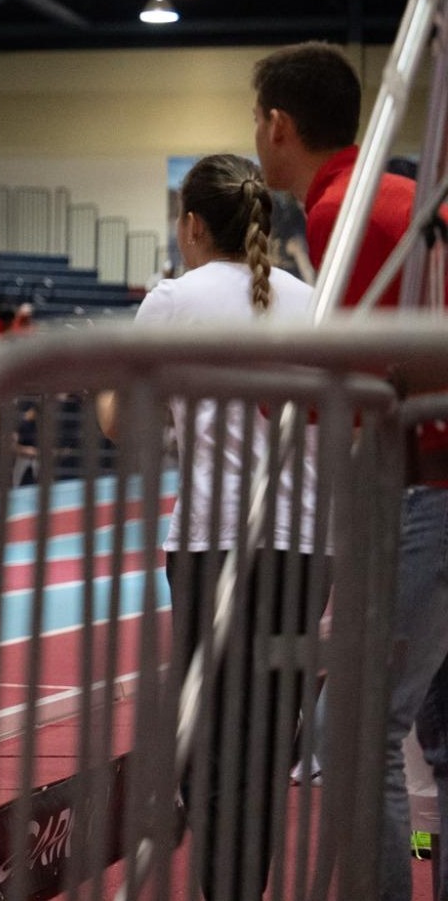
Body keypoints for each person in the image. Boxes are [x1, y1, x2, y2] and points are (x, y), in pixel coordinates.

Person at [249, 42, 448, 901]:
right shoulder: (395, 191)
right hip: (429, 483)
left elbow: (392, 374)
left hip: (428, 487)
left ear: (278, 125)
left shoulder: (346, 209)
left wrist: (293, 399)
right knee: (436, 729)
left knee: (358, 728)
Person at [97, 153, 321, 901]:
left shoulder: (173, 298)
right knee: (264, 740)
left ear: (191, 225)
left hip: (212, 542)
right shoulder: (309, 300)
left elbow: (121, 422)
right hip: (302, 547)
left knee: (212, 738)